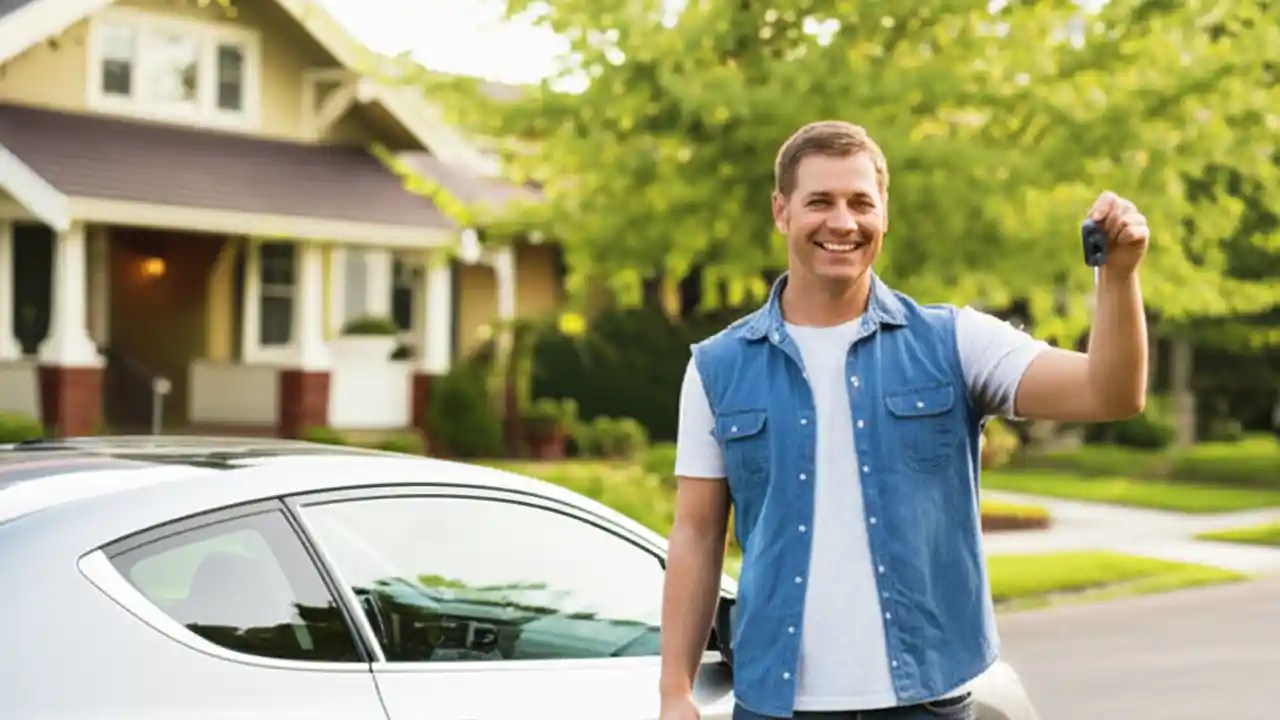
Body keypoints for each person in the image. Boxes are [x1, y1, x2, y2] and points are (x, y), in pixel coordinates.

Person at [658, 120, 1150, 720]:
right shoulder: (717, 367)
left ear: (884, 213)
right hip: (776, 705)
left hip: (927, 702)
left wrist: (1118, 277)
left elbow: (1110, 393)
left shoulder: (956, 342)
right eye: (820, 201)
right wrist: (674, 692)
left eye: (861, 202)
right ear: (782, 211)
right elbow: (696, 535)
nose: (843, 222)